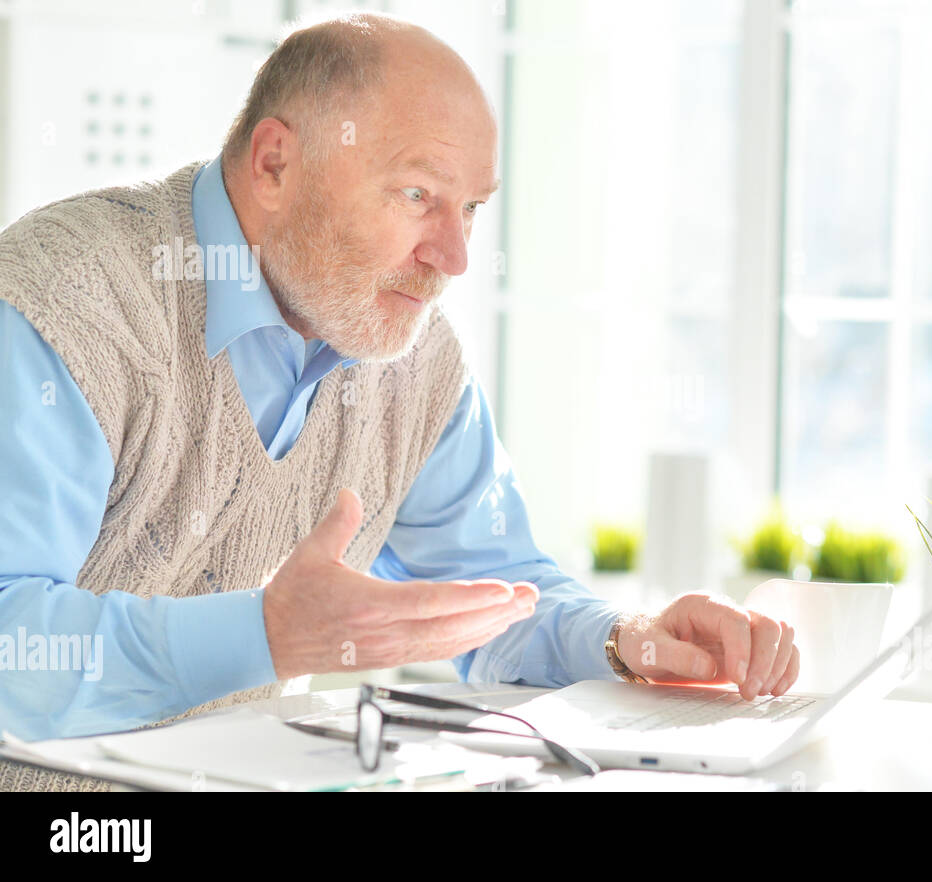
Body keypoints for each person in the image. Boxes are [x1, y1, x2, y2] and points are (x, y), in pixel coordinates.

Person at [0, 12, 799, 791]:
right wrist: (266, 636)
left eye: (473, 208)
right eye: (417, 194)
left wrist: (631, 642)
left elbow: (498, 586)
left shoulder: (405, 351)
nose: (452, 256)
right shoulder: (68, 304)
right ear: (275, 164)